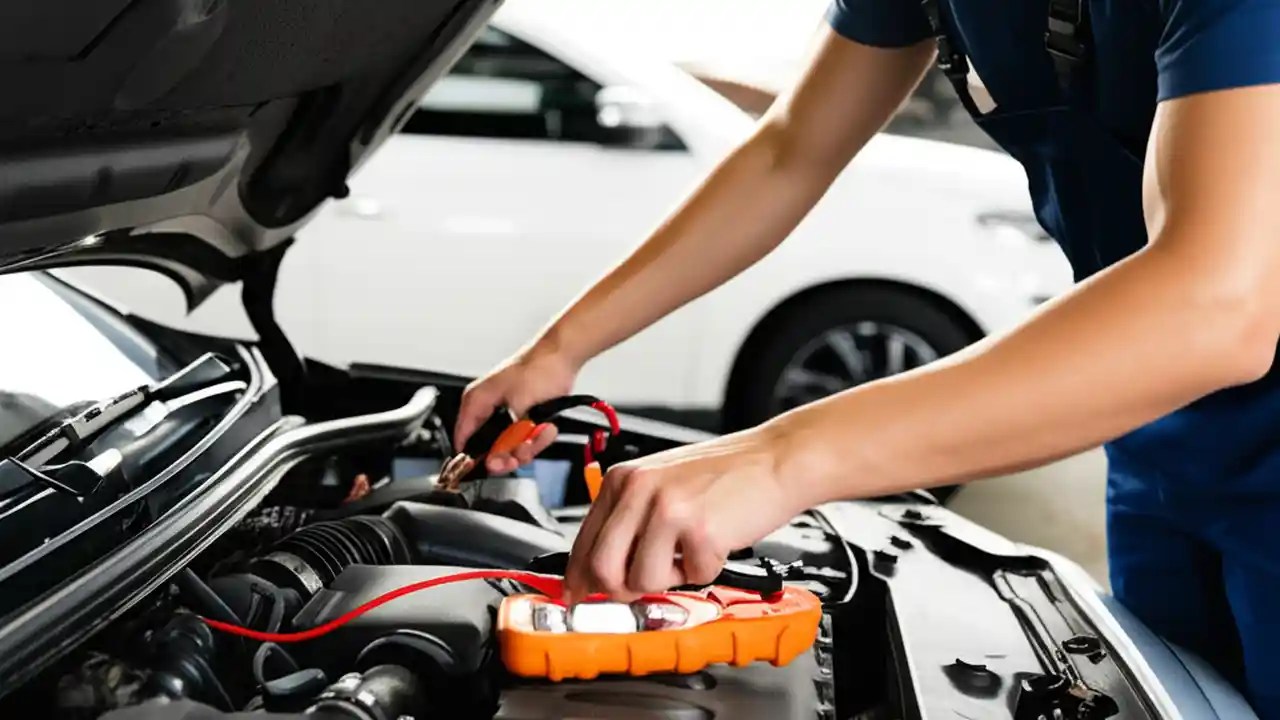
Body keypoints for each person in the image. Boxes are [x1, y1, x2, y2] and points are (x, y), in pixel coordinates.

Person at [455, 1, 1280, 712]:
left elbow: (1218, 303)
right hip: (1157, 439)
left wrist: (779, 461)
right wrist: (559, 351)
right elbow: (790, 148)